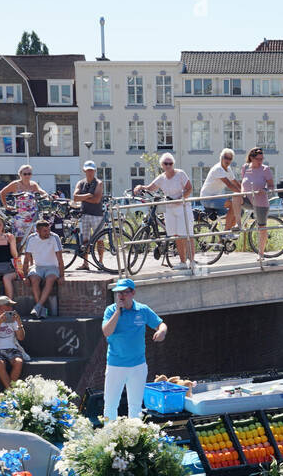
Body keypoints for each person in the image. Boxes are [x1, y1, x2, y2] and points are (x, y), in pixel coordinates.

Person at [101, 278, 167, 422]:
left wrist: (162, 331)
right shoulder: (110, 310)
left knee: (136, 406)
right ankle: (108, 439)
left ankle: (135, 439)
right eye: (118, 292)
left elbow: (161, 324)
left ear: (133, 293)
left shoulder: (142, 310)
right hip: (115, 365)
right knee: (110, 405)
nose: (120, 296)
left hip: (138, 366)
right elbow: (106, 332)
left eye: (124, 292)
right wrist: (118, 312)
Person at [134, 154, 194, 269]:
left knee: (187, 234)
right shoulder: (162, 177)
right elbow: (150, 187)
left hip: (182, 207)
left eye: (170, 163)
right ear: (162, 165)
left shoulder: (180, 174)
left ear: (173, 164)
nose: (168, 166)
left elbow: (189, 188)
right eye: (166, 164)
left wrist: (180, 199)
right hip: (170, 208)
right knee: (176, 235)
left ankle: (191, 261)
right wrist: (140, 187)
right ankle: (182, 262)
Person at [21, 217, 64, 318]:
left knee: (50, 279)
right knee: (34, 279)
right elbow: (26, 259)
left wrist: (62, 275)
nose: (48, 232)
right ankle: (41, 308)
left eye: (49, 229)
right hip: (38, 266)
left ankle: (38, 307)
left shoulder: (55, 237)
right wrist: (25, 276)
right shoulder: (31, 238)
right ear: (37, 231)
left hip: (52, 267)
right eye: (45, 231)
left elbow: (60, 259)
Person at [0, 295, 27, 390]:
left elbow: (21, 338)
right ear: (0, 307)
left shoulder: (12, 318)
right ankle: (10, 392)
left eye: (11, 306)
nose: (11, 308)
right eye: (8, 306)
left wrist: (19, 323)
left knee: (19, 362)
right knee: (0, 364)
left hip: (12, 348)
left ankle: (9, 391)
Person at [0, 164, 44, 242]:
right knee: (19, 238)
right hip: (20, 215)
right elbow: (2, 192)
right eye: (25, 174)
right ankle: (17, 253)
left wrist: (47, 195)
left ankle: (30, 253)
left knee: (33, 238)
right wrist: (5, 205)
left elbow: (42, 191)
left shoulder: (33, 184)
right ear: (20, 174)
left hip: (32, 215)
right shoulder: (16, 184)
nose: (27, 176)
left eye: (29, 174)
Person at [201, 148, 242, 235]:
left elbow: (235, 183)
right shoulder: (218, 169)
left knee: (237, 211)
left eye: (230, 158)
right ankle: (225, 232)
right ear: (221, 157)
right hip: (207, 199)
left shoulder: (228, 169)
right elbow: (230, 185)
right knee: (232, 205)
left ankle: (223, 241)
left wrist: (245, 191)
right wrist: (243, 194)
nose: (227, 160)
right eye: (225, 157)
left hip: (216, 198)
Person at [73, 161, 106, 270]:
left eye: (91, 170)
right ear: (84, 171)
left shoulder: (99, 183)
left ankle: (100, 262)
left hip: (97, 214)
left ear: (95, 171)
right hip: (84, 213)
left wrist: (82, 197)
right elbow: (75, 197)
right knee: (85, 240)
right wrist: (88, 195)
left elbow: (97, 200)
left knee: (99, 239)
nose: (90, 172)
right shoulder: (80, 183)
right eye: (88, 170)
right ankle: (85, 263)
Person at [239, 147, 275, 243]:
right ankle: (237, 225)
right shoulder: (245, 167)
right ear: (251, 158)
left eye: (262, 159)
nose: (260, 161)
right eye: (258, 159)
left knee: (261, 227)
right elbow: (243, 182)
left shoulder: (265, 169)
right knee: (235, 197)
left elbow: (271, 186)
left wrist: (265, 189)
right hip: (247, 200)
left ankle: (261, 253)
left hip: (260, 202)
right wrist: (242, 192)